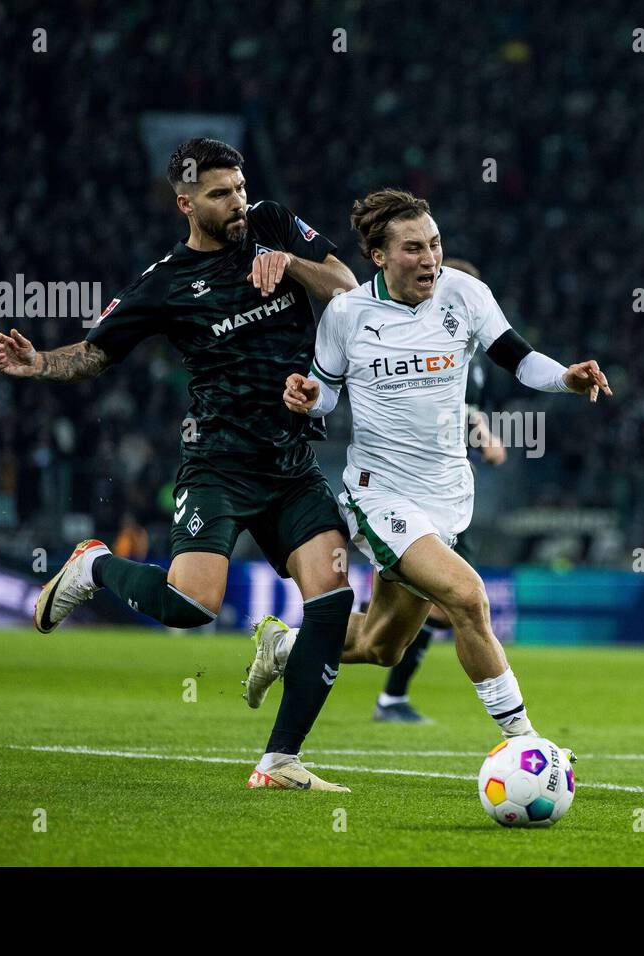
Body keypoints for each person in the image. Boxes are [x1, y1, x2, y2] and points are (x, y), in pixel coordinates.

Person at [0, 138, 359, 790]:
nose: (238, 203)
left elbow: (347, 288)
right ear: (186, 203)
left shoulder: (273, 224)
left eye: (240, 189)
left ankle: (279, 761)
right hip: (219, 463)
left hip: (293, 463)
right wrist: (39, 364)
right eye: (221, 194)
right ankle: (93, 566)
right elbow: (98, 352)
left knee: (330, 600)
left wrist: (288, 261)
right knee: (193, 604)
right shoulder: (165, 282)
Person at [243, 188, 610, 739]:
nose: (430, 259)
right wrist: (305, 396)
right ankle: (525, 744)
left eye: (435, 244)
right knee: (467, 596)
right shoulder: (346, 314)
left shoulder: (463, 294)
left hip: (446, 496)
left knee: (382, 645)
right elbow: (325, 394)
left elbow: (519, 357)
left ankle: (285, 644)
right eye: (414, 248)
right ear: (380, 257)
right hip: (379, 492)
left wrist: (565, 378)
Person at [373, 257, 506, 724]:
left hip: (449, 493)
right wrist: (481, 433)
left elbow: (467, 406)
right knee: (452, 603)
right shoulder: (422, 342)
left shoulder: (476, 357)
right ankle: (392, 699)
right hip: (415, 491)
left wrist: (481, 429)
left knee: (402, 626)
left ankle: (294, 646)